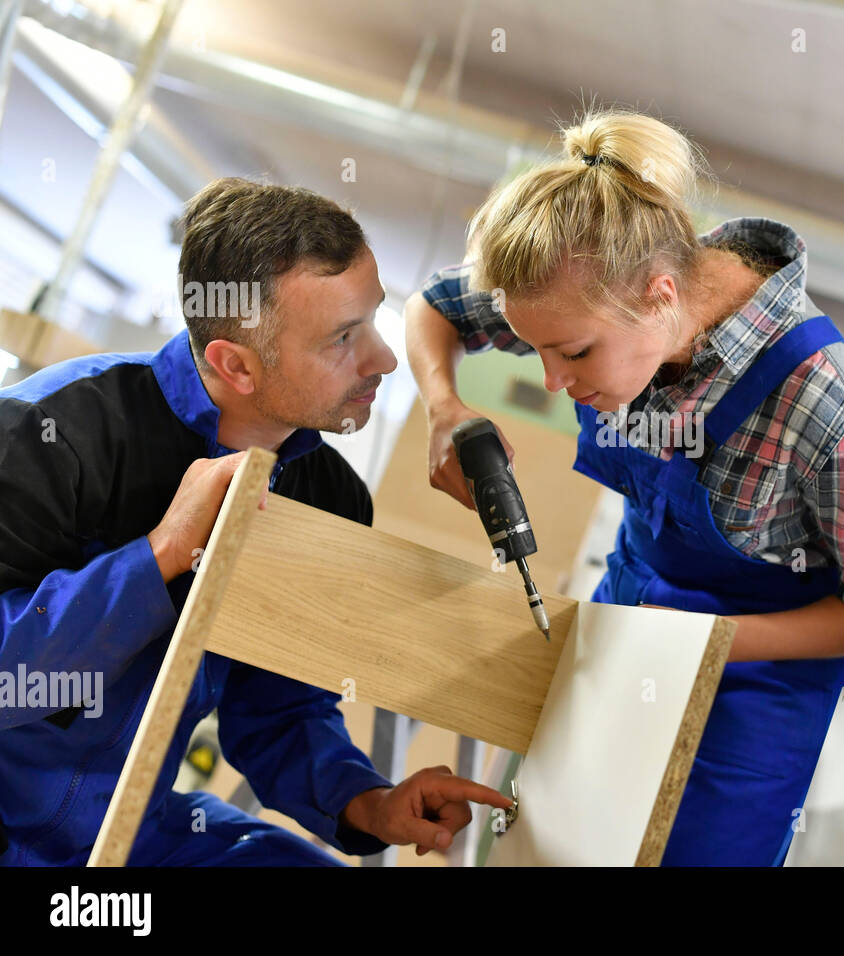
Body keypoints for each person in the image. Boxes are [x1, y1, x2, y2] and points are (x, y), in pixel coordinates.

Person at [406, 107, 844, 865]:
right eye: (535, 352)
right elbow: (429, 307)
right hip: (632, 612)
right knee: (547, 842)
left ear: (660, 298)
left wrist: (712, 641)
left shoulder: (828, 410)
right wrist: (443, 406)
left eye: (575, 354)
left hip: (761, 683)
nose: (554, 382)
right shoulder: (576, 280)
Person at [0, 178, 512, 866]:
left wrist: (366, 801)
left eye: (374, 319)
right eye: (342, 339)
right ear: (233, 364)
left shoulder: (328, 495)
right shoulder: (50, 431)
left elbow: (279, 708)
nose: (385, 360)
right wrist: (158, 557)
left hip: (132, 829)